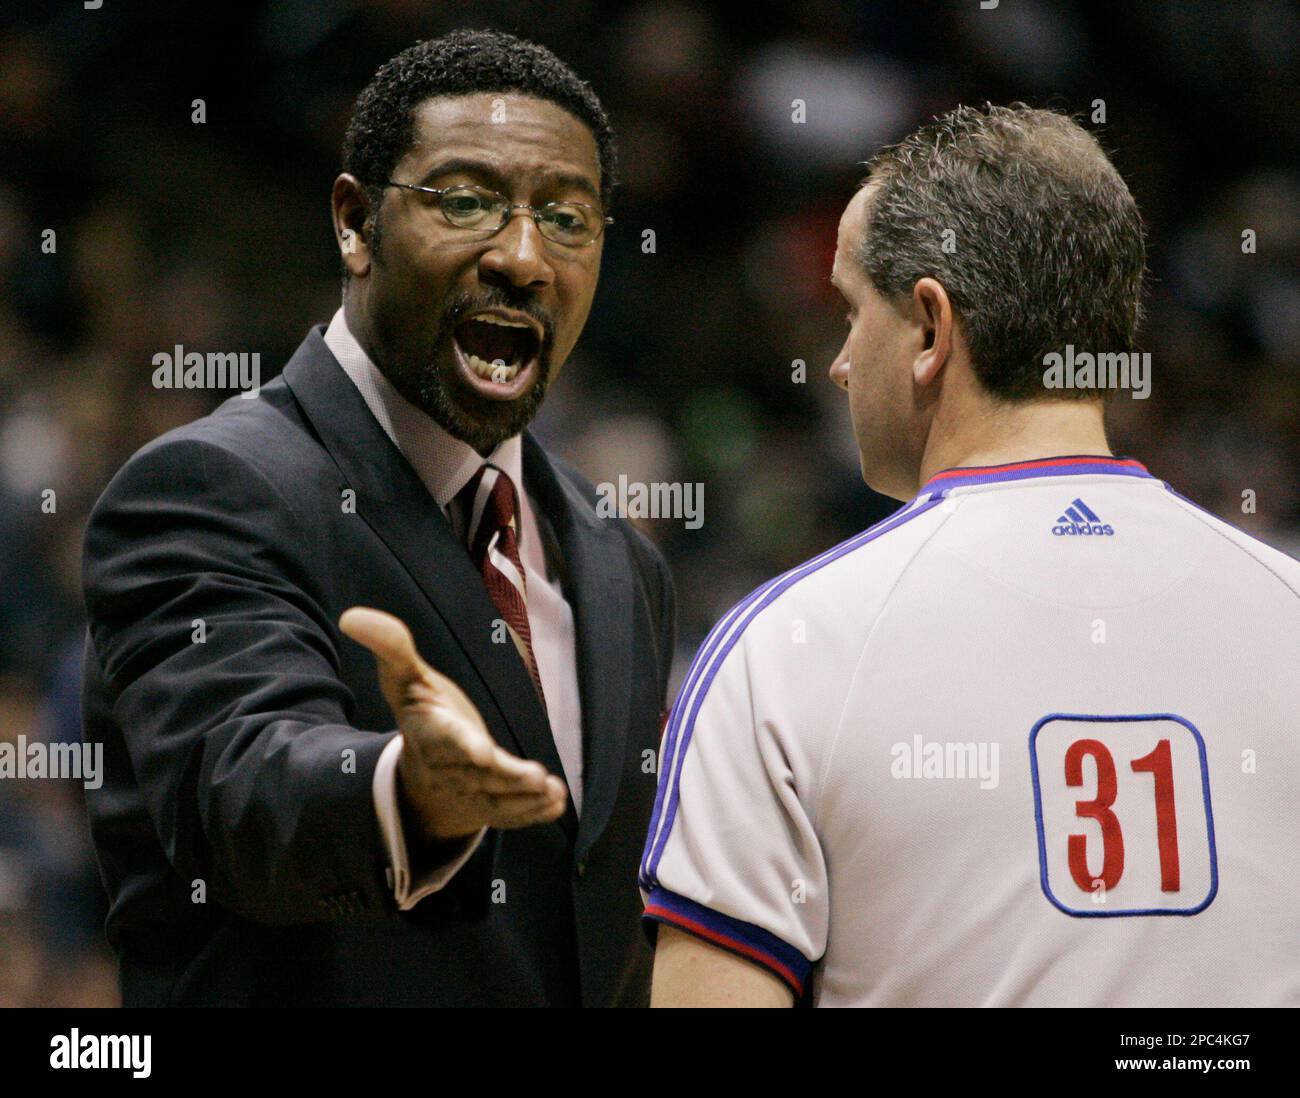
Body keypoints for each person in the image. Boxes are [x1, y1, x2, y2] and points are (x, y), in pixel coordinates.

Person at [640, 104, 1300, 1007]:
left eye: (849, 311)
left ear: (928, 330)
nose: (838, 362)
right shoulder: (1287, 604)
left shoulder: (786, 650)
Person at [81, 29, 675, 1007]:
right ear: (355, 224)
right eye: (468, 200)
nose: (525, 257)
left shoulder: (618, 561)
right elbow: (241, 783)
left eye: (567, 219)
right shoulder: (206, 485)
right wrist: (406, 792)